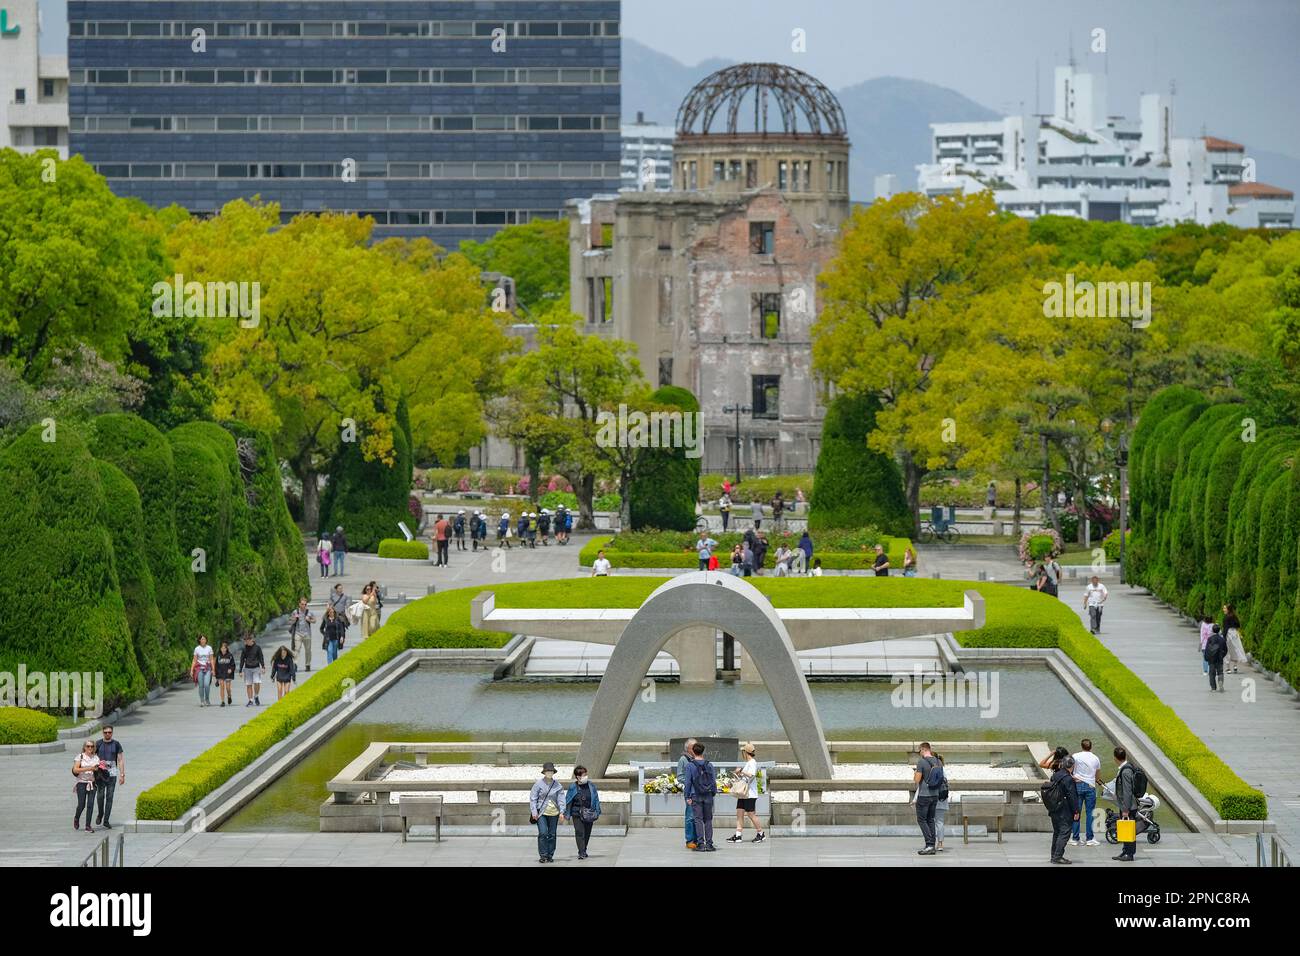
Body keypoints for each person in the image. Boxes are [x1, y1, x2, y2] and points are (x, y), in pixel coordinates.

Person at [1045, 748, 1081, 864]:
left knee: (1057, 832)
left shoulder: (1056, 775)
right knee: (1064, 832)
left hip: (1054, 808)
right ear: (1072, 766)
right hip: (1064, 810)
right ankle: (1057, 857)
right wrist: (1076, 811)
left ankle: (1054, 855)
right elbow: (1072, 796)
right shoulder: (1068, 778)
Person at [726, 742, 766, 843]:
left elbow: (752, 775)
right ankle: (738, 835)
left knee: (751, 814)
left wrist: (742, 771)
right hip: (744, 793)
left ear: (745, 752)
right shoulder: (748, 763)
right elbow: (746, 777)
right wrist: (739, 773)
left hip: (750, 794)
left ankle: (761, 833)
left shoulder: (752, 762)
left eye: (742, 752)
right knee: (739, 812)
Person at [683, 742, 717, 851]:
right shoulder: (709, 764)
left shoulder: (690, 765)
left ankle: (701, 844)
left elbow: (688, 783)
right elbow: (713, 781)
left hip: (695, 795)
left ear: (693, 751)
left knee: (698, 819)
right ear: (703, 751)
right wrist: (713, 793)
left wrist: (687, 797)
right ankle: (710, 844)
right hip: (708, 795)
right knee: (708, 820)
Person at [528, 762, 565, 863]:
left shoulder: (558, 785)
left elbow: (561, 799)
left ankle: (550, 855)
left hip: (554, 813)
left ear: (553, 772)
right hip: (542, 813)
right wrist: (534, 811)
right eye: (548, 771)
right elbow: (533, 798)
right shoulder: (538, 784)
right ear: (544, 772)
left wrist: (562, 812)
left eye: (551, 771)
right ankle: (543, 855)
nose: (549, 772)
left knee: (552, 834)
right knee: (543, 833)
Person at [1070, 738, 1102, 847]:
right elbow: (1097, 775)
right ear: (1091, 747)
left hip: (1077, 785)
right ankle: (1089, 839)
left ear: (1082, 746)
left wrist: (1073, 777)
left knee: (1076, 812)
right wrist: (1096, 781)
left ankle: (1075, 838)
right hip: (1090, 786)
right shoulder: (1096, 758)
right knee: (1090, 813)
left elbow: (1069, 769)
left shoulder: (1075, 756)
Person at [565, 765, 601, 860]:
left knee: (587, 832)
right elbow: (568, 800)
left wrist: (597, 811)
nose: (586, 776)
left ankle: (584, 849)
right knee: (580, 832)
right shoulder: (573, 787)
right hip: (577, 813)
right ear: (578, 776)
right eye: (583, 774)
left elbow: (596, 798)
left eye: (586, 774)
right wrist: (566, 814)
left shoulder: (591, 785)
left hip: (589, 812)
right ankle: (581, 852)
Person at [1112, 747, 1141, 862]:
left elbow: (1127, 791)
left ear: (1115, 758)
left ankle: (1130, 854)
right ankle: (1125, 851)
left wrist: (1125, 809)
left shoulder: (1125, 771)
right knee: (1125, 829)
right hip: (1127, 805)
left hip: (1128, 806)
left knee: (1129, 829)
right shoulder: (1126, 767)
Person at [913, 741, 942, 855]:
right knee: (931, 820)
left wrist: (916, 772)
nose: (919, 753)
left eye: (919, 751)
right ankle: (932, 845)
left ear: (923, 750)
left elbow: (917, 780)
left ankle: (929, 844)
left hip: (924, 795)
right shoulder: (938, 761)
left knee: (922, 820)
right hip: (935, 794)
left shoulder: (922, 762)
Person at [93, 725, 124, 829]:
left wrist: (122, 774)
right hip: (100, 774)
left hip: (112, 774)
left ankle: (106, 820)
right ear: (102, 733)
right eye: (105, 732)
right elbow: (92, 757)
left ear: (112, 733)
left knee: (110, 797)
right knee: (100, 796)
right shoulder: (98, 743)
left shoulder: (116, 744)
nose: (107, 734)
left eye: (109, 732)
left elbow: (120, 760)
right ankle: (100, 814)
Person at [73, 740, 100, 833]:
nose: (90, 748)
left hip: (92, 783)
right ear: (84, 747)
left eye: (92, 746)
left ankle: (88, 826)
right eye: (88, 746)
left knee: (90, 804)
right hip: (81, 783)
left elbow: (97, 769)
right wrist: (90, 768)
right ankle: (76, 818)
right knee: (81, 804)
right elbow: (75, 770)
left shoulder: (96, 758)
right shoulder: (80, 757)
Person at [288, 597, 315, 672]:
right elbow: (289, 621)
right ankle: (295, 665)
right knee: (296, 649)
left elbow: (314, 620)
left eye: (305, 604)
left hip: (307, 634)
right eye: (302, 604)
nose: (304, 606)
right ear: (299, 604)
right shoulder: (295, 612)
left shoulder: (309, 612)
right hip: (298, 633)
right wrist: (294, 619)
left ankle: (307, 664)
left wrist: (309, 619)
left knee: (308, 650)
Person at [239, 632, 265, 705]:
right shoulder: (244, 649)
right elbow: (242, 659)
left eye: (247, 640)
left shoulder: (257, 648)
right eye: (245, 640)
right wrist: (240, 670)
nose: (246, 642)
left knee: (257, 683)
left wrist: (263, 666)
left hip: (256, 668)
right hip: (247, 669)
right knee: (249, 684)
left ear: (251, 640)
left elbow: (261, 657)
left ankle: (256, 696)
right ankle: (250, 700)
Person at [1222, 604, 1247, 673]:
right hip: (1235, 633)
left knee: (1227, 650)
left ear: (1228, 609)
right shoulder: (1234, 616)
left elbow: (1225, 628)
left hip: (1228, 634)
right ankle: (1235, 666)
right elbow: (1238, 625)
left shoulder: (1226, 617)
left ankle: (1228, 668)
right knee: (1236, 648)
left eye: (1224, 608)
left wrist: (1223, 637)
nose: (1223, 609)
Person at [1204, 623, 1227, 692]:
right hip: (1219, 659)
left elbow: (1207, 649)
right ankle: (1220, 682)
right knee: (1220, 672)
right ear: (1219, 630)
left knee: (1212, 674)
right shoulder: (1222, 639)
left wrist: (1206, 657)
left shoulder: (1210, 639)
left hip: (1212, 659)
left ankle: (1213, 688)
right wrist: (1222, 656)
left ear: (1212, 630)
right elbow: (1226, 649)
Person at [192, 634, 214, 707]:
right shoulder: (197, 649)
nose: (203, 640)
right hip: (199, 669)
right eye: (201, 639)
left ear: (206, 640)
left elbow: (211, 659)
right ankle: (202, 700)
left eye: (204, 639)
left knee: (207, 684)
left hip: (207, 668)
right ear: (199, 640)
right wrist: (191, 670)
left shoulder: (209, 648)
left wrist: (213, 669)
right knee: (201, 685)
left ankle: (207, 699)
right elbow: (194, 661)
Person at [214, 640, 236, 707]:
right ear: (220, 649)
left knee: (228, 688)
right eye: (222, 648)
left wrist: (231, 669)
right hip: (220, 673)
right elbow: (216, 666)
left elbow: (233, 665)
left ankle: (229, 696)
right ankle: (222, 701)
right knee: (222, 687)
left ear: (226, 649)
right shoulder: (218, 656)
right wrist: (216, 676)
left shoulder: (230, 655)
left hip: (228, 674)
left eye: (224, 648)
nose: (223, 649)